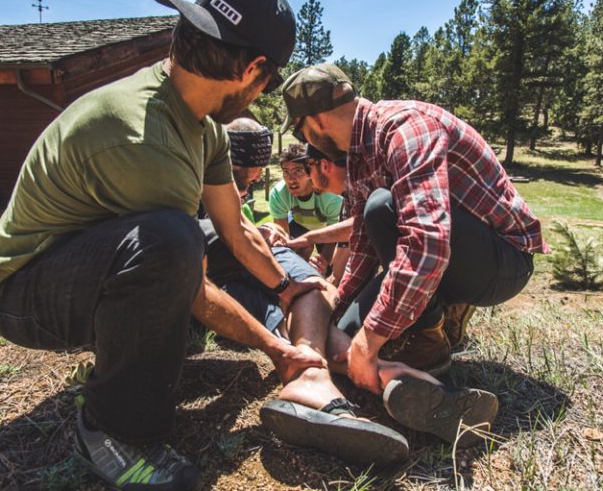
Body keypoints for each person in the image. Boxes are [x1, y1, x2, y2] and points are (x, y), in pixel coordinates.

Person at [0, 0, 324, 490]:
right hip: (23, 293)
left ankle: (186, 336)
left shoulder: (205, 127)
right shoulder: (142, 135)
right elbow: (191, 282)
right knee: (172, 241)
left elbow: (236, 229)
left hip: (89, 261)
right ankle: (113, 428)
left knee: (197, 235)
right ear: (251, 70)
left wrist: (289, 289)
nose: (262, 93)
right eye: (268, 82)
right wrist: (274, 348)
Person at [280, 64, 549, 433]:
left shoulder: (406, 127)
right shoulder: (359, 153)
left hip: (501, 262)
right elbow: (362, 246)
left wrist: (371, 338)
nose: (304, 138)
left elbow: (427, 244)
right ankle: (422, 383)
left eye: (299, 130)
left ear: (314, 121)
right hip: (447, 263)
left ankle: (428, 341)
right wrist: (336, 308)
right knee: (342, 329)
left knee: (381, 206)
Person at [205, 125, 500, 454]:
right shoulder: (207, 180)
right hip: (230, 262)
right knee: (306, 294)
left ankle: (347, 378)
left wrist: (301, 265)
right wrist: (290, 284)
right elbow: (231, 232)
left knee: (293, 305)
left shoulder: (205, 182)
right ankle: (374, 376)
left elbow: (346, 243)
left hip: (232, 269)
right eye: (259, 168)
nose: (263, 176)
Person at [269, 143, 343, 261]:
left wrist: (324, 262)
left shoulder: (331, 196)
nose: (291, 179)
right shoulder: (279, 194)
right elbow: (282, 236)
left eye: (298, 171)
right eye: (286, 172)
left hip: (326, 229)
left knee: (329, 265)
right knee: (294, 254)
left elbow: (335, 236)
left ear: (310, 173)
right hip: (299, 225)